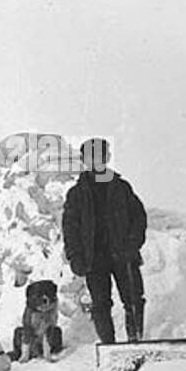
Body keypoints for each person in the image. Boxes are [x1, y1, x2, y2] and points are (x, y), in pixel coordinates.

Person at [62, 137, 147, 344]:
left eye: (100, 156)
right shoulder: (76, 194)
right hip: (94, 259)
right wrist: (76, 257)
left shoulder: (121, 187)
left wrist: (132, 244)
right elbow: (70, 229)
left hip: (123, 255)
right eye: (92, 157)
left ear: (107, 157)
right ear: (84, 160)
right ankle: (109, 346)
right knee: (100, 304)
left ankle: (135, 341)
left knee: (134, 300)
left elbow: (139, 217)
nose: (96, 161)